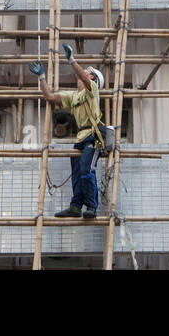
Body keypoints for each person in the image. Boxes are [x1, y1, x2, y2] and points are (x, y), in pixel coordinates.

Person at [37, 50, 105, 219]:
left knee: (86, 169)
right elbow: (50, 96)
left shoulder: (93, 90)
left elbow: (82, 77)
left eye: (88, 71)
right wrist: (41, 77)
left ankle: (91, 206)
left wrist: (72, 60)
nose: (84, 72)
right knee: (76, 172)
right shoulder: (74, 97)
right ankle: (75, 206)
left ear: (92, 78)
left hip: (92, 136)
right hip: (81, 137)